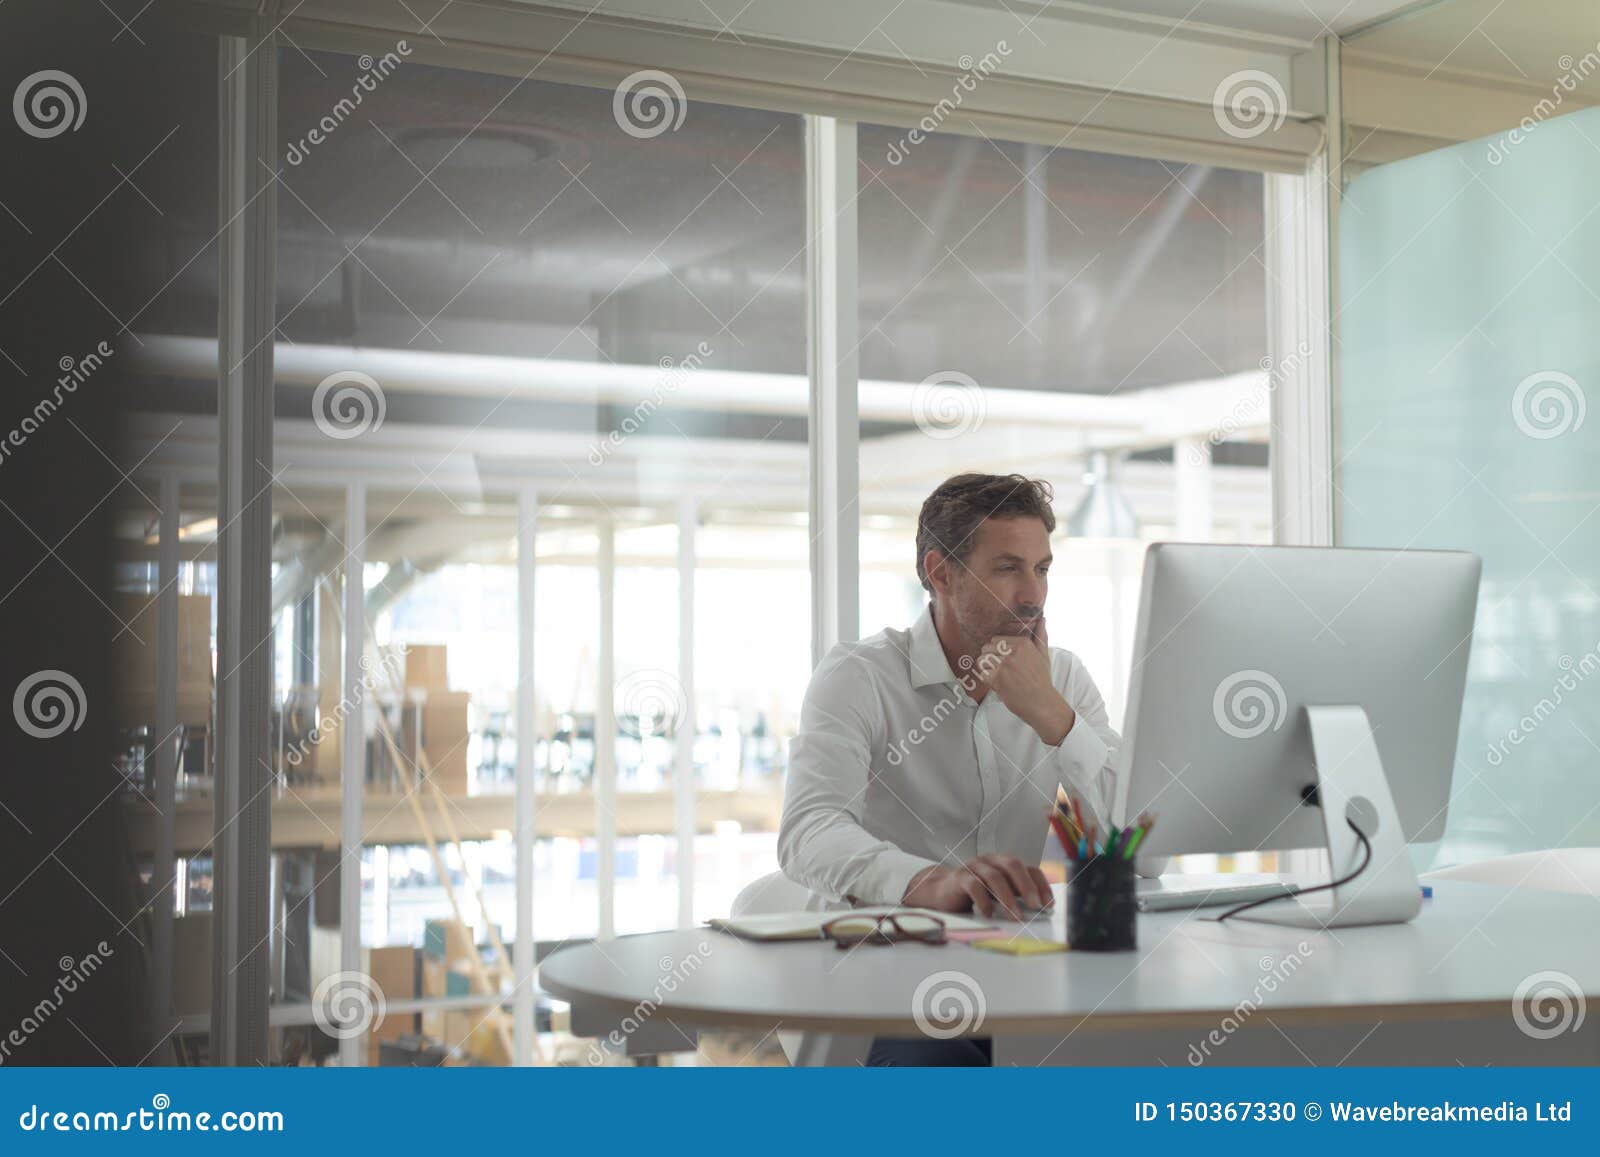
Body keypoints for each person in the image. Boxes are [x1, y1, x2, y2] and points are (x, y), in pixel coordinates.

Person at [778, 472, 1122, 1066]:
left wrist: (1052, 717)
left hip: (1017, 967)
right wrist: (927, 881)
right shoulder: (859, 677)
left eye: (1041, 569)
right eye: (1007, 568)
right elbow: (808, 831)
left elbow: (1136, 843)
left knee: (1136, 1055)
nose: (1032, 595)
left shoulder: (1062, 680)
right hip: (887, 972)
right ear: (941, 574)